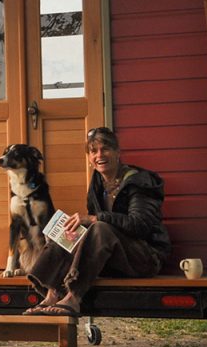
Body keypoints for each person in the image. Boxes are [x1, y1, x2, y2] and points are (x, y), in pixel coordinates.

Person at [23, 127, 171, 316]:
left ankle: (74, 297)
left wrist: (95, 218)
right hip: (112, 259)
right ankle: (53, 291)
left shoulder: (139, 182)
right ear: (89, 157)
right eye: (93, 151)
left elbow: (140, 225)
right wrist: (68, 229)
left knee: (100, 227)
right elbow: (92, 231)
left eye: (105, 149)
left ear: (118, 152)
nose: (99, 155)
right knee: (70, 227)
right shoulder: (97, 183)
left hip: (146, 257)